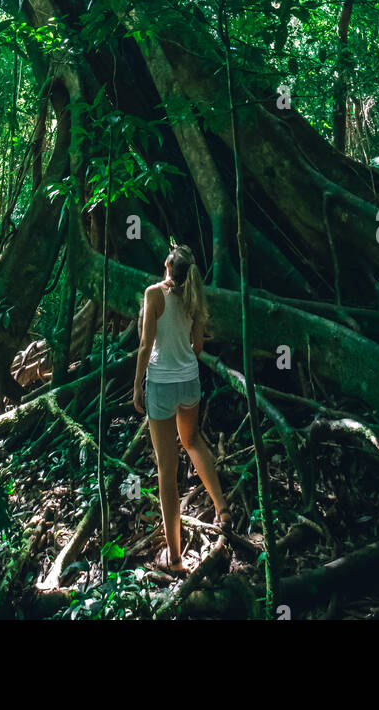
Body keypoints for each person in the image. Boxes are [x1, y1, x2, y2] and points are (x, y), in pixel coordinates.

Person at [133, 244, 232, 573]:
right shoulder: (194, 296)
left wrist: (137, 385)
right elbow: (198, 346)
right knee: (193, 441)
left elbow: (145, 344)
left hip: (161, 385)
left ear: (166, 265)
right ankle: (223, 510)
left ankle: (175, 559)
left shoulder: (153, 294)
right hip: (190, 381)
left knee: (167, 470)